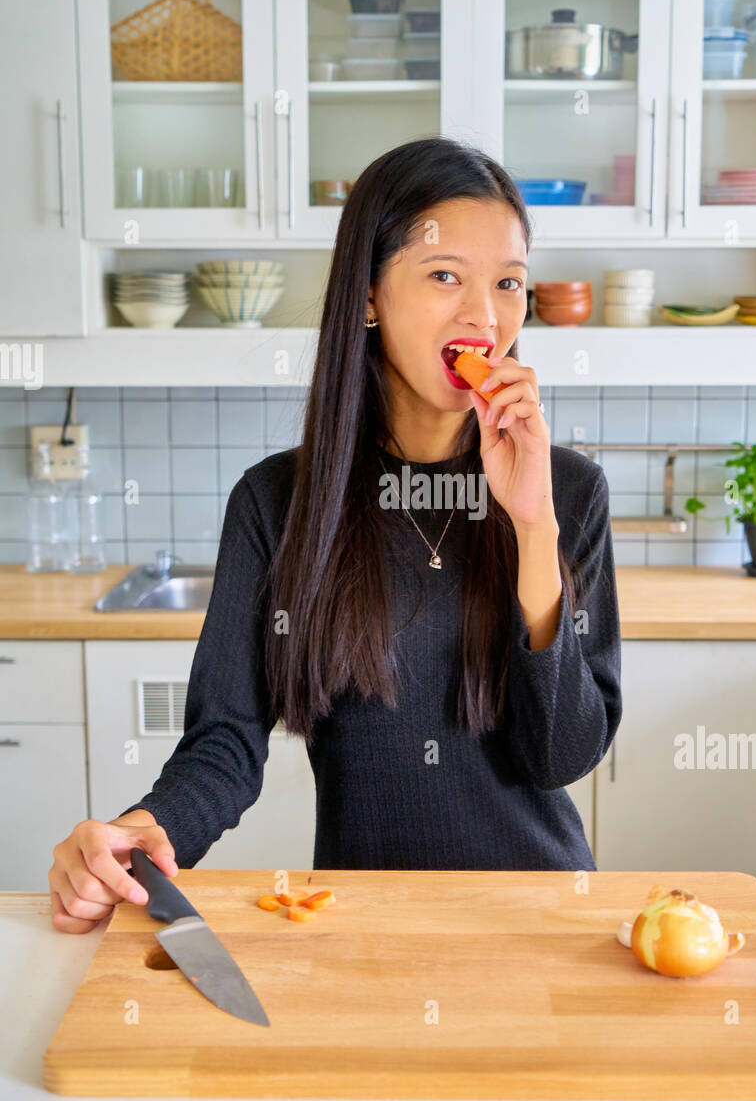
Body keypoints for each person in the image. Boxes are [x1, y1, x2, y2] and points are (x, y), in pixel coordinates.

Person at [48, 136, 622, 933]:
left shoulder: (568, 493)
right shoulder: (277, 503)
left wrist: (531, 525)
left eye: (508, 283)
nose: (484, 317)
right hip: (362, 927)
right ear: (367, 296)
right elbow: (224, 743)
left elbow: (564, 754)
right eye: (444, 275)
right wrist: (146, 829)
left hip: (544, 919)